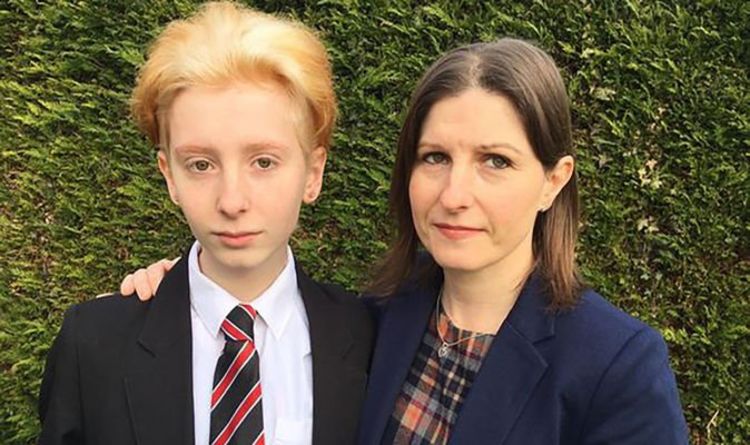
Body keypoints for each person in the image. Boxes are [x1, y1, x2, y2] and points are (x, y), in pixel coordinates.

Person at [120, 39, 689, 444]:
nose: (454, 194)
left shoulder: (616, 364)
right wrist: (179, 297)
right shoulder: (374, 321)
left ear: (552, 180)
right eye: (435, 157)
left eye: (495, 161)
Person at [38, 2, 373, 444]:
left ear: (313, 174)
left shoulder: (369, 337)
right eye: (200, 165)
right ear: (169, 175)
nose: (232, 201)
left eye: (264, 162)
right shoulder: (94, 344)